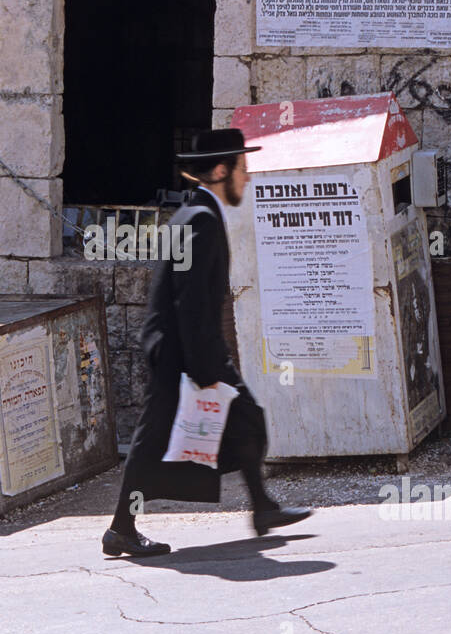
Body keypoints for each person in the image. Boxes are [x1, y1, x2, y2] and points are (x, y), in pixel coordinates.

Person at [102, 128, 312, 557]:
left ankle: (263, 507)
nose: (247, 179)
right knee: (151, 442)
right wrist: (205, 371)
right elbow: (192, 302)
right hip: (181, 353)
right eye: (242, 169)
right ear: (220, 170)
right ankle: (121, 529)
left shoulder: (191, 213)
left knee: (242, 419)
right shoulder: (201, 220)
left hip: (177, 348)